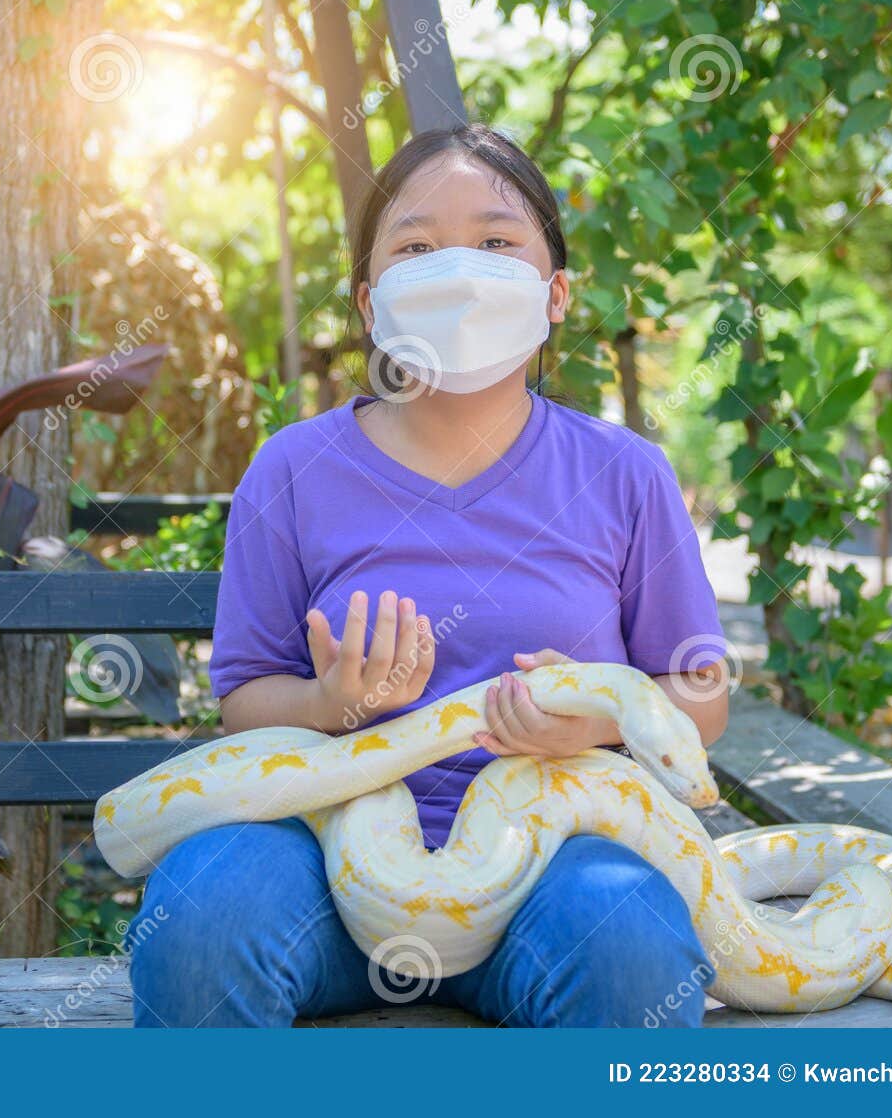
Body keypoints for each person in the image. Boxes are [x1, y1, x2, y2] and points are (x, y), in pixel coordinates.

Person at [129, 124, 729, 1028]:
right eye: (416, 247)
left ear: (555, 292)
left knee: (633, 950)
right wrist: (332, 706)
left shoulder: (624, 472)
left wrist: (593, 725)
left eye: (494, 243)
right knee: (202, 921)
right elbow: (246, 698)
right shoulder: (291, 469)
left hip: (556, 854)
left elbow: (700, 692)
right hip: (323, 850)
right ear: (372, 304)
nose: (456, 271)